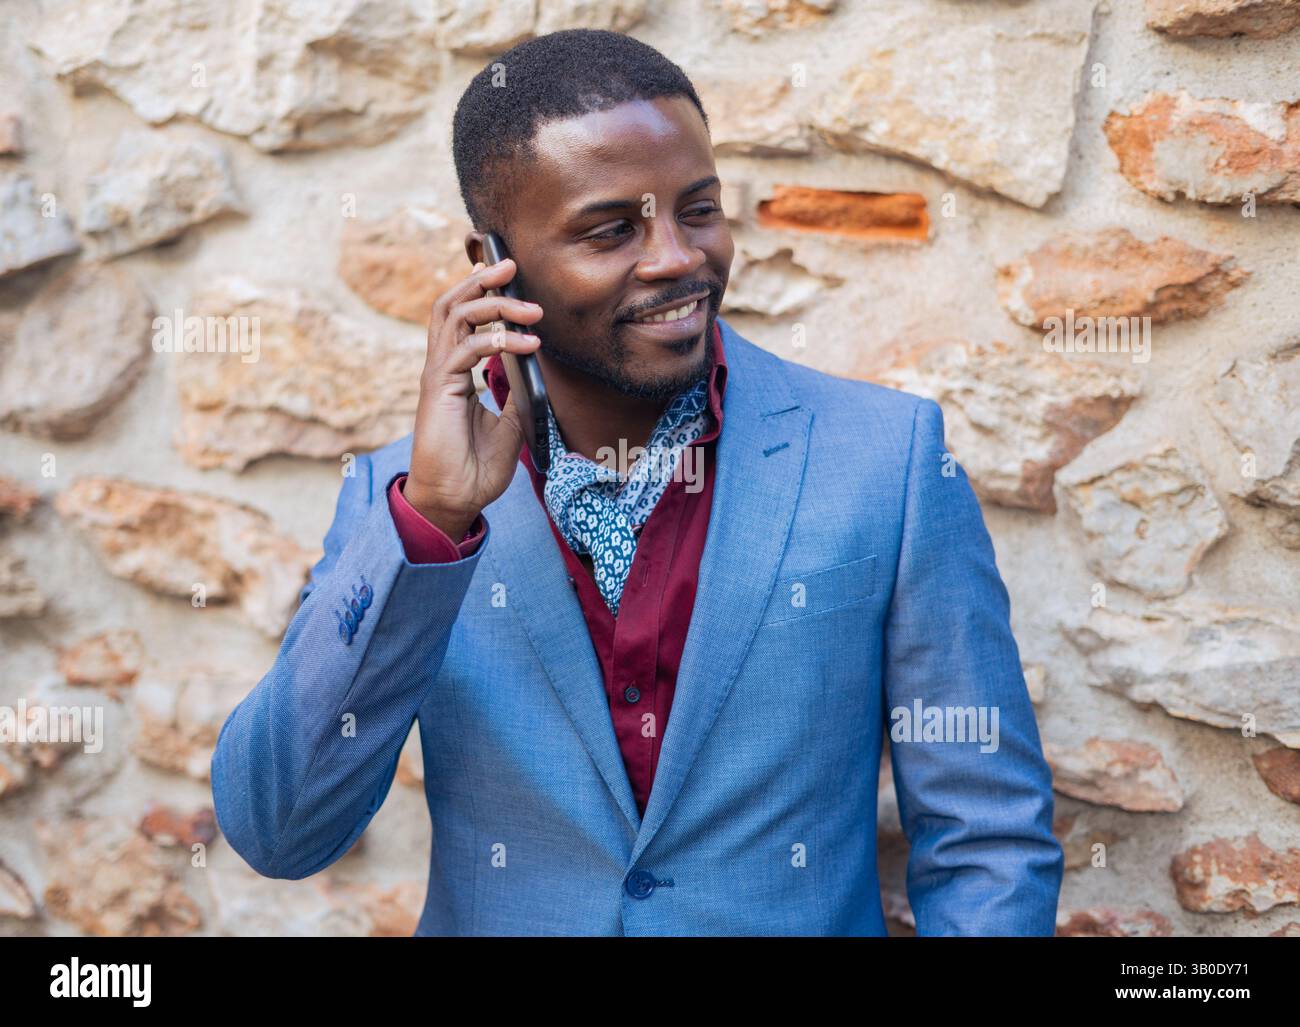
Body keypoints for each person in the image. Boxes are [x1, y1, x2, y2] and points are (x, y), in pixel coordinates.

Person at [211, 28, 1063, 936]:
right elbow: (278, 829)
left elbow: (988, 840)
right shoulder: (404, 500)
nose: (675, 259)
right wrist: (433, 522)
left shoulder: (886, 460)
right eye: (612, 229)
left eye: (697, 209)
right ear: (493, 264)